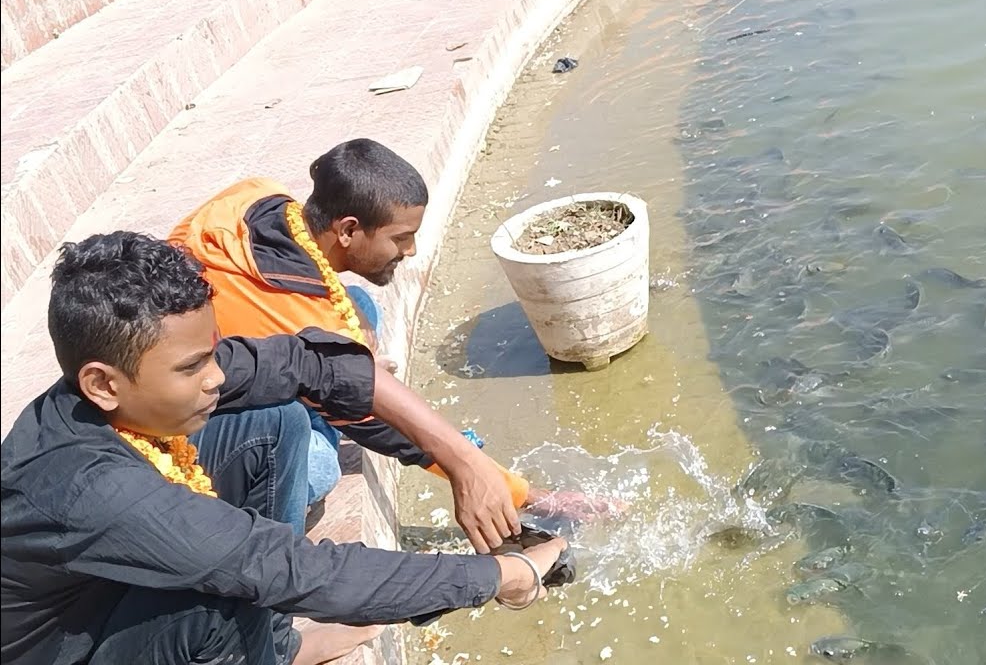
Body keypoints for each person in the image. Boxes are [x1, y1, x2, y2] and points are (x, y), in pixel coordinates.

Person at [0, 232, 568, 665]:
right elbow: (291, 569)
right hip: (72, 649)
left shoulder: (130, 392)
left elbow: (309, 364)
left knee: (276, 421)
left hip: (110, 586)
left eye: (213, 353)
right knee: (220, 607)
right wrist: (502, 576)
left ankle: (276, 643)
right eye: (192, 366)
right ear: (103, 383)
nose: (216, 377)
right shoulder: (92, 488)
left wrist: (462, 460)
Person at [168, 138, 607, 538]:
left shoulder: (261, 195)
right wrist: (531, 495)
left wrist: (351, 332)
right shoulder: (289, 318)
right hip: (191, 422)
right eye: (401, 238)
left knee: (359, 299)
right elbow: (388, 428)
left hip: (233, 352)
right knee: (314, 460)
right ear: (348, 230)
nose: (410, 250)